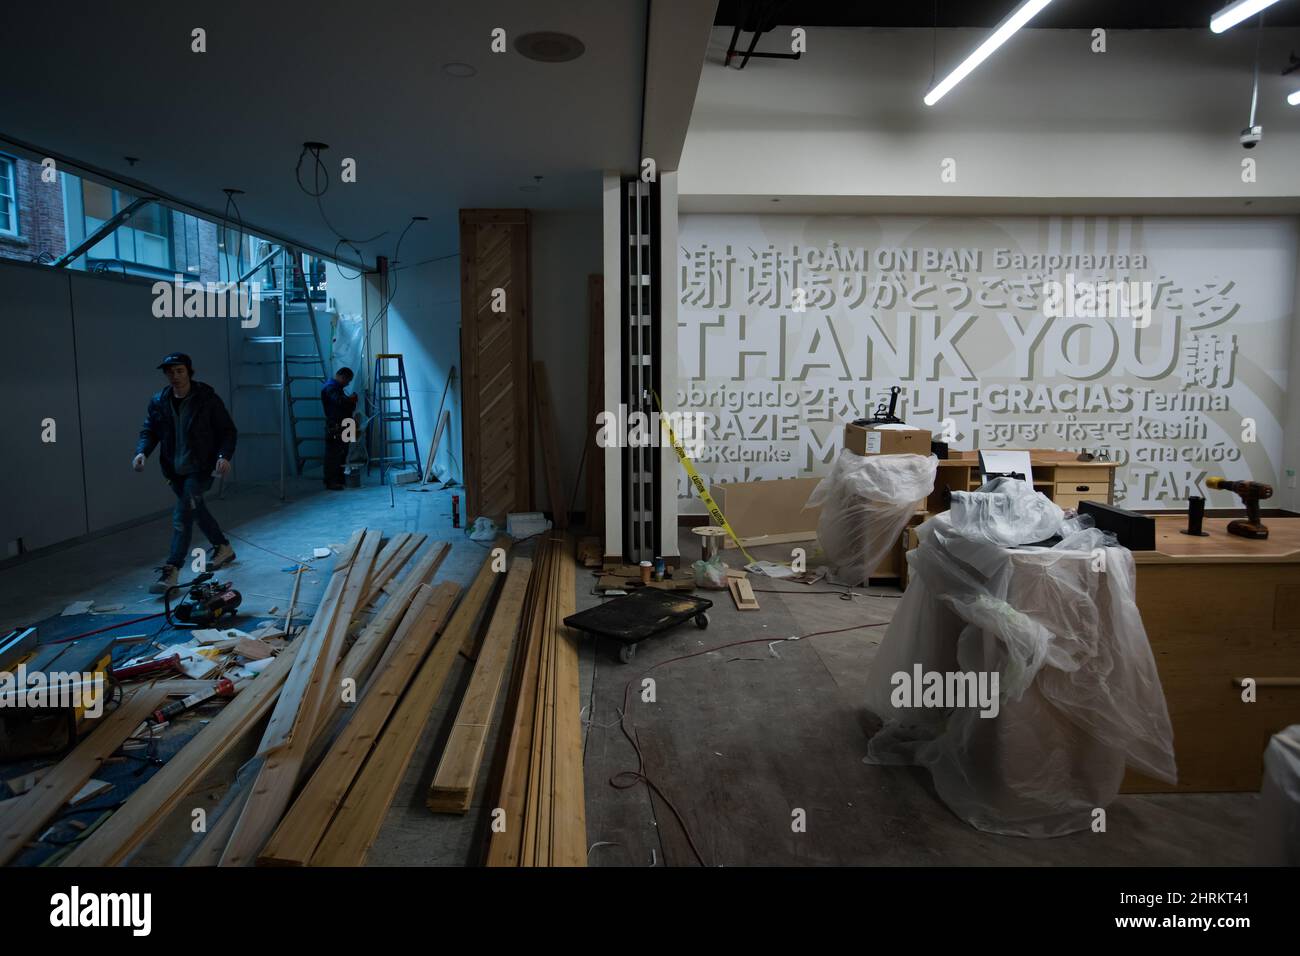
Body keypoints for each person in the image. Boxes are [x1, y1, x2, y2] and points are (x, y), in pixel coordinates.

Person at [133, 353, 238, 593]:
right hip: (174, 470)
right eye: (170, 372)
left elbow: (228, 430)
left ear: (189, 372)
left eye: (179, 371)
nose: (175, 376)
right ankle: (223, 547)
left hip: (200, 468)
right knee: (196, 509)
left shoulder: (206, 399)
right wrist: (142, 453)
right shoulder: (159, 401)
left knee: (182, 516)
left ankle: (172, 571)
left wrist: (224, 456)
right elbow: (149, 431)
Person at [321, 367, 358, 490]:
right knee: (334, 454)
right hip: (336, 425)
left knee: (343, 453)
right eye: (348, 380)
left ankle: (340, 479)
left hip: (345, 424)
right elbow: (340, 402)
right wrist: (351, 400)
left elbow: (344, 404)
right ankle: (331, 481)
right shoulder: (330, 387)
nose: (348, 384)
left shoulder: (337, 388)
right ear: (343, 377)